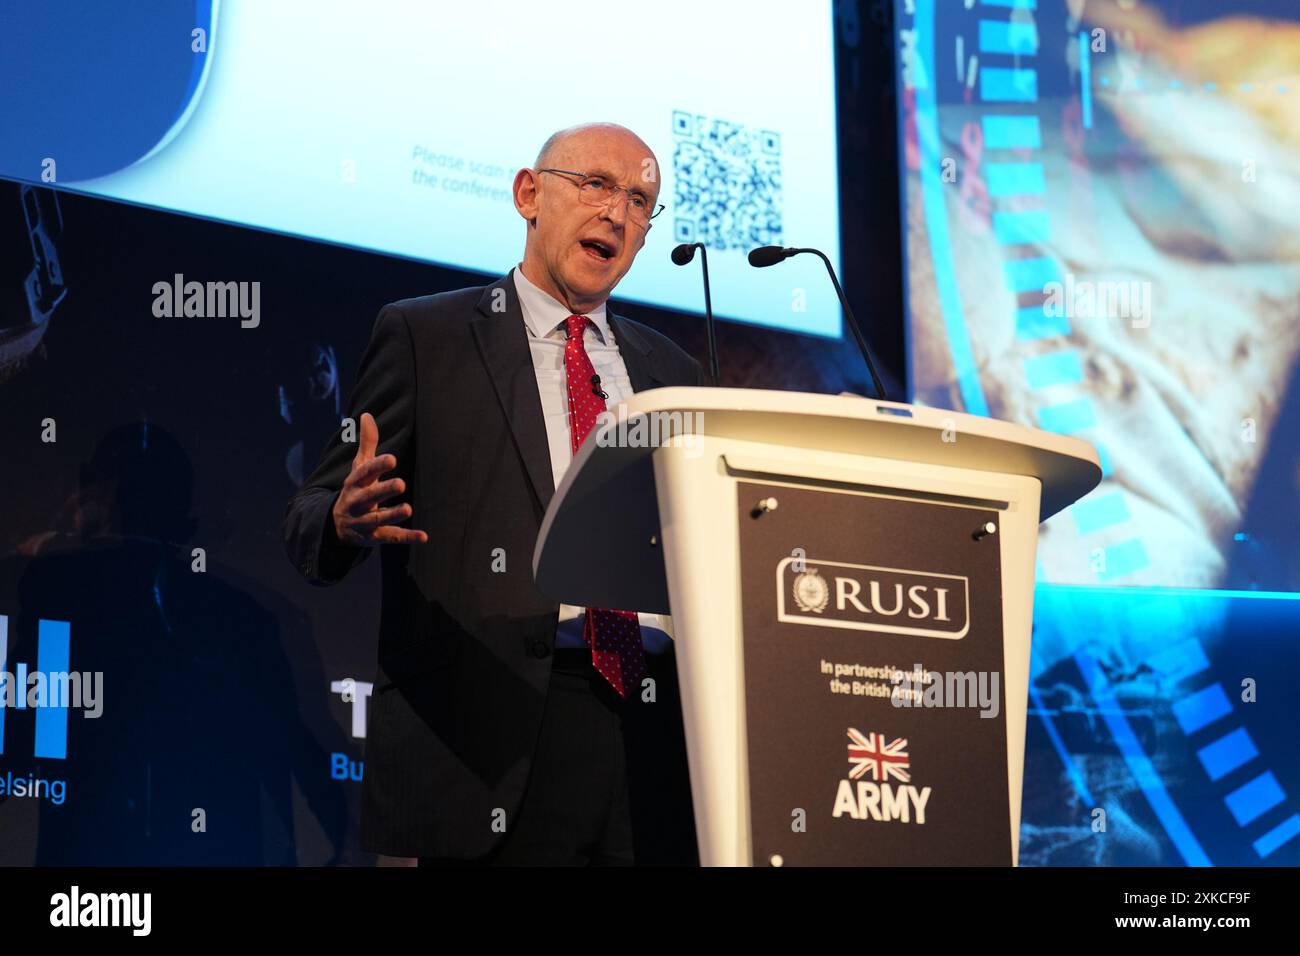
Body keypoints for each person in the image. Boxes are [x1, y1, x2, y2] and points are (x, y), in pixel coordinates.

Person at [283, 122, 705, 865]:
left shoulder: (673, 372)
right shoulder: (426, 336)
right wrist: (342, 521)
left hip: (654, 736)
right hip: (493, 732)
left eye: (640, 200)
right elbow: (309, 515)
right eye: (596, 184)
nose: (616, 212)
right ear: (528, 194)